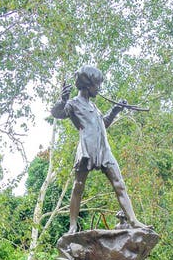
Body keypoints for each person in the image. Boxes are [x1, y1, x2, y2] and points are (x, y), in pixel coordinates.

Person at [51, 65, 147, 233]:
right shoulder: (73, 104)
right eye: (98, 84)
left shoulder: (94, 107)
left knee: (119, 183)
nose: (100, 88)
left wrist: (115, 110)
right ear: (88, 85)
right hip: (87, 149)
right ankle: (73, 225)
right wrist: (63, 100)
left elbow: (103, 124)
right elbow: (58, 113)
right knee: (78, 186)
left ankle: (133, 220)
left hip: (104, 149)